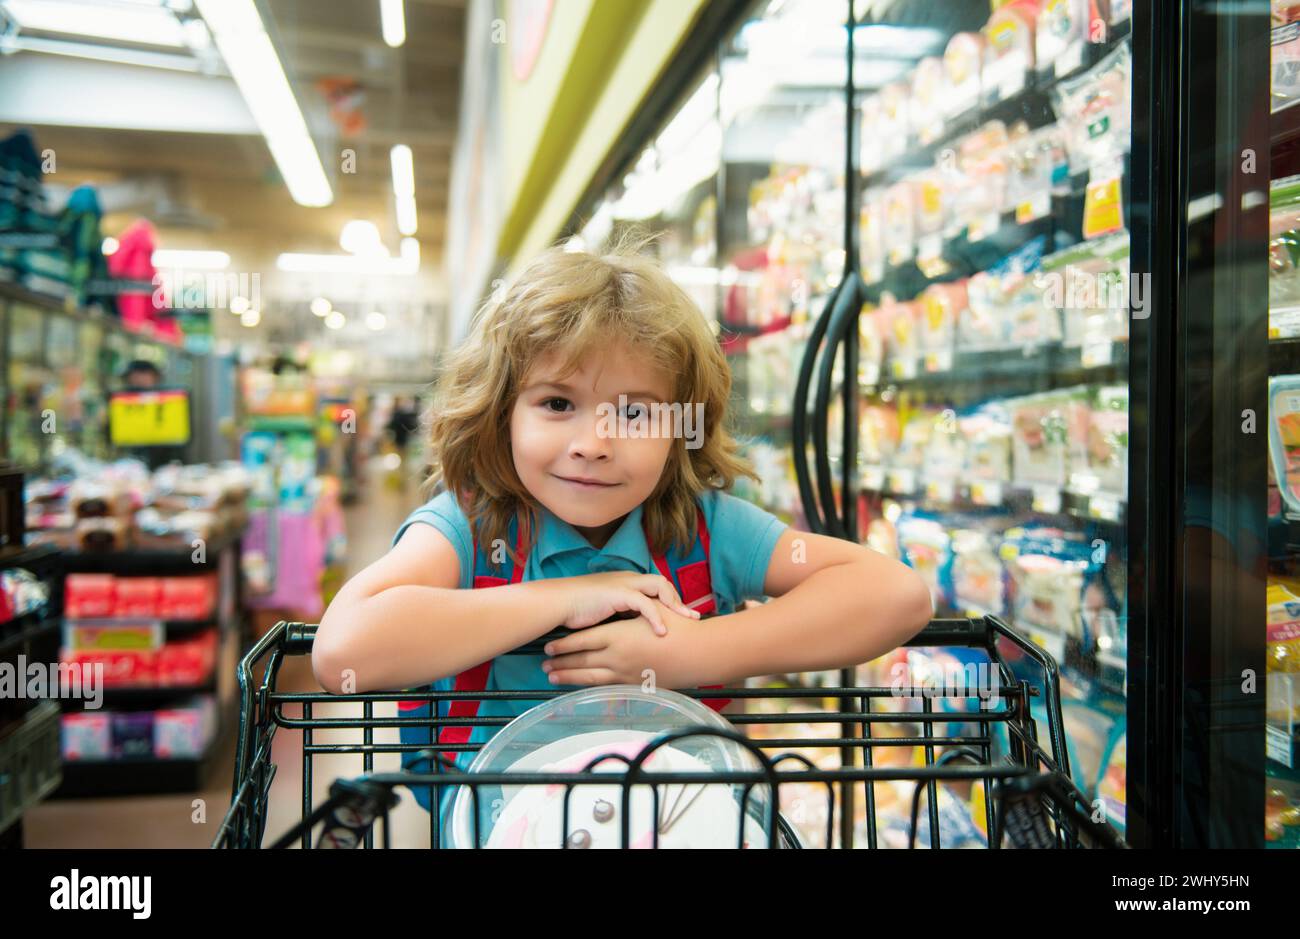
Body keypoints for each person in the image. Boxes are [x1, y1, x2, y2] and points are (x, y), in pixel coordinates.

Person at [311, 238, 932, 827]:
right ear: (501, 414)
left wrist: (685, 654)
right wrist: (564, 598)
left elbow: (897, 597)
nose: (593, 445)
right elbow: (344, 652)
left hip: (679, 824)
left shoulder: (702, 529)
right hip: (505, 828)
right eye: (557, 404)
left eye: (634, 413)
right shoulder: (471, 527)